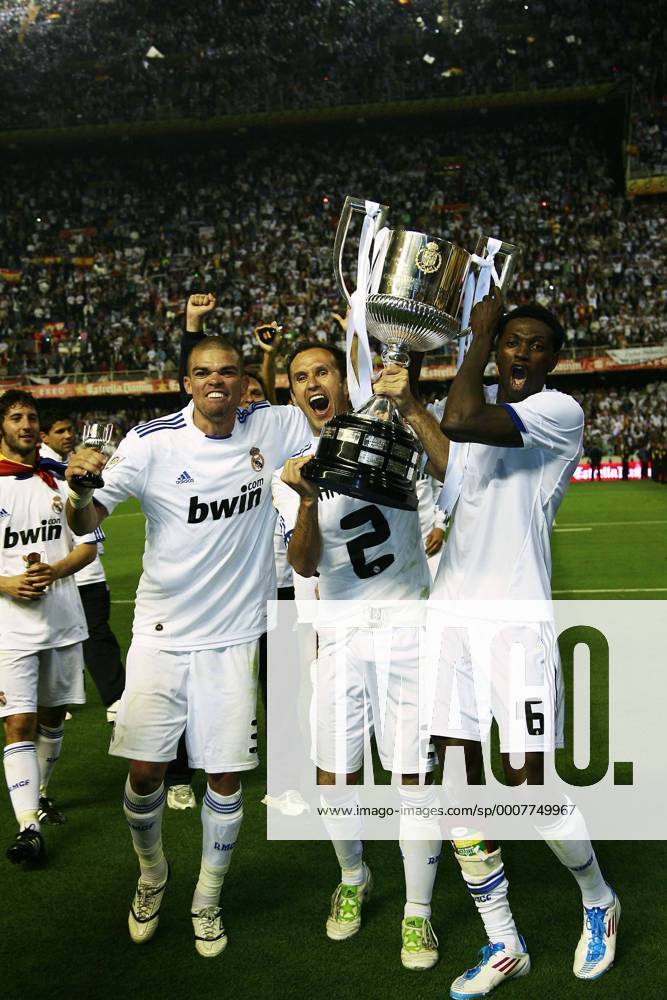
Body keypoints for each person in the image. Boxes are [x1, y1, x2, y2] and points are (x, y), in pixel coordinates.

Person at [374, 291, 620, 994]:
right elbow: (455, 464)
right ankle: (502, 940)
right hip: (451, 621)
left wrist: (474, 338)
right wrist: (408, 403)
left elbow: (462, 415)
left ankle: (599, 899)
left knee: (525, 777)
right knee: (455, 789)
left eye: (535, 345)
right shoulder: (483, 426)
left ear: (551, 361)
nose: (520, 353)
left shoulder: (553, 413)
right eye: (511, 341)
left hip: (515, 626)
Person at [64, 309, 311, 958]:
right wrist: (76, 487)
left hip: (233, 642)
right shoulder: (150, 444)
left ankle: (207, 900)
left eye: (228, 372)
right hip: (160, 636)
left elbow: (329, 402)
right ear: (186, 382)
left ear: (244, 383)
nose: (217, 382)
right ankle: (151, 877)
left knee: (225, 781)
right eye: (203, 373)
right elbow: (88, 515)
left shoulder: (272, 426)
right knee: (146, 774)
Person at [273, 342, 442, 970]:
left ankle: (418, 915)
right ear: (292, 395)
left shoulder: (389, 429)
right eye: (299, 379)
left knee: (413, 782)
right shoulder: (290, 475)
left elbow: (439, 498)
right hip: (339, 632)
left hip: (407, 625)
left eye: (323, 371)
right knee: (333, 777)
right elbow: (304, 563)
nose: (312, 383)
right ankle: (353, 876)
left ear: (344, 380)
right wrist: (312, 496)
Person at [0, 390, 96, 863]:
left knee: (54, 717)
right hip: (9, 626)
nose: (26, 424)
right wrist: (9, 583)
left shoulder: (60, 478)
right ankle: (27, 826)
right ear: (2, 427)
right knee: (19, 721)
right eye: (16, 417)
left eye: (32, 417)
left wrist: (57, 570)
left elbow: (88, 544)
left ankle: (40, 794)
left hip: (61, 619)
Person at [39, 409, 125, 722]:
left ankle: (64, 701)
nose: (67, 435)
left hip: (79, 575)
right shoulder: (45, 474)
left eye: (68, 430)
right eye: (58, 430)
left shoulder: (67, 468)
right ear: (43, 437)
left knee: (83, 636)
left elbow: (89, 538)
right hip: (62, 577)